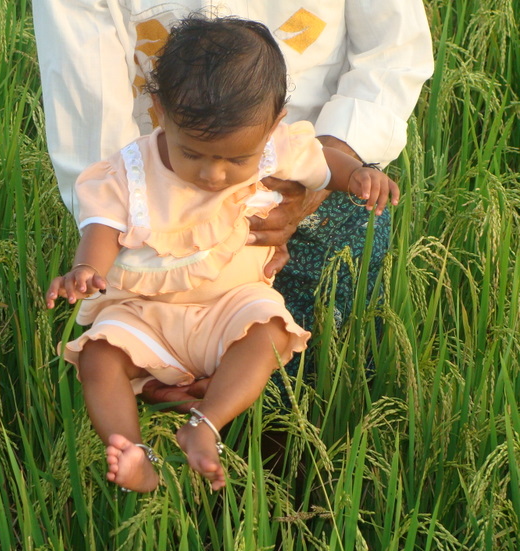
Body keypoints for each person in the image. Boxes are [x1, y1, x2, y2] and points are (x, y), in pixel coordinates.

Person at [45, 17, 400, 492]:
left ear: (274, 126)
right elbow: (102, 225)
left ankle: (204, 427)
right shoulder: (128, 170)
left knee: (270, 331)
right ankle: (132, 452)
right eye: (193, 154)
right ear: (159, 112)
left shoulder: (275, 147)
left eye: (235, 161)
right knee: (100, 356)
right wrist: (87, 268)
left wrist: (355, 173)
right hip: (146, 312)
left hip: (233, 304)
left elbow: (319, 159)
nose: (213, 175)